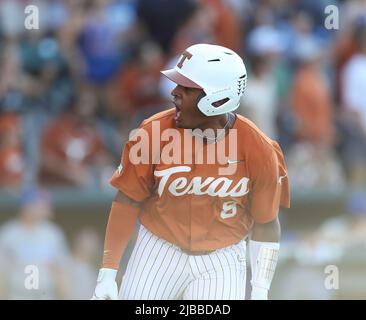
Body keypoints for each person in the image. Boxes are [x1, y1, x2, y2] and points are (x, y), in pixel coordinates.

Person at [92, 43, 290, 300]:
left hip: (223, 258)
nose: (174, 92)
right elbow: (126, 202)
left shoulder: (259, 148)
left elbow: (265, 224)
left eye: (186, 88)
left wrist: (261, 289)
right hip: (158, 250)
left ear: (218, 97)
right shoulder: (153, 132)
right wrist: (107, 271)